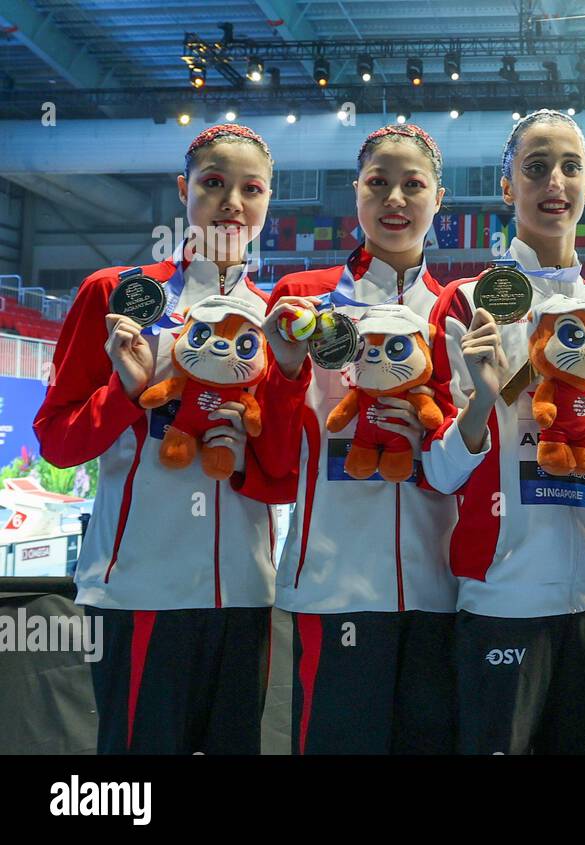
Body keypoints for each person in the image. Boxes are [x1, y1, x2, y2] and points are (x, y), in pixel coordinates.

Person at [33, 124, 281, 753]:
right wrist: (125, 389)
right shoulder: (116, 295)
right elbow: (58, 442)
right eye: (214, 184)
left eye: (251, 189)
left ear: (268, 201)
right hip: (139, 587)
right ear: (183, 190)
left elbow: (281, 459)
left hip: (247, 592)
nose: (232, 202)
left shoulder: (275, 317)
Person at [423, 110, 585, 755]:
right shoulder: (465, 303)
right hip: (503, 592)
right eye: (536, 167)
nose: (555, 182)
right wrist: (489, 398)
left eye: (571, 168)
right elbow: (440, 471)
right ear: (507, 186)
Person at [256, 123, 457, 754]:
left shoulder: (456, 307)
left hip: (440, 582)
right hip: (333, 579)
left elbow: (470, 442)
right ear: (357, 193)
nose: (395, 199)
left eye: (412, 185)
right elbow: (275, 447)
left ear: (438, 198)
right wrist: (288, 370)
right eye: (379, 184)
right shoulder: (301, 298)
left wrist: (431, 445)